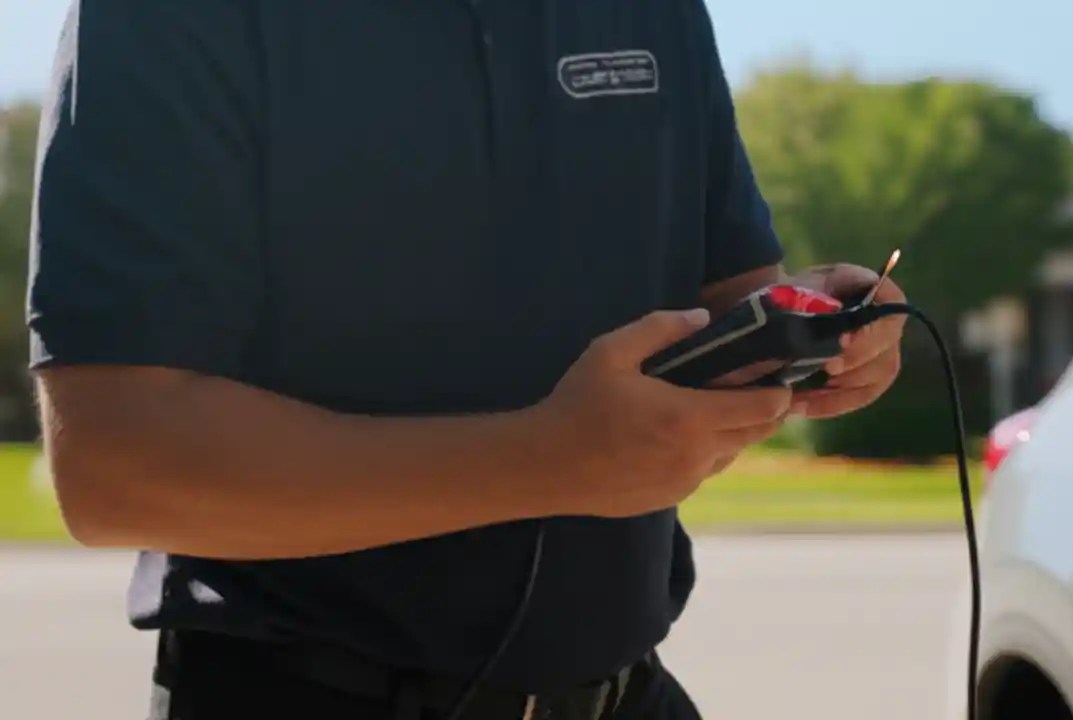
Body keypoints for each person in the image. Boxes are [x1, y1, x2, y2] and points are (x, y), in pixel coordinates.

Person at [26, 1, 906, 719]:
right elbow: (117, 469)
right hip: (299, 694)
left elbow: (726, 298)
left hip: (628, 693)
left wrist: (809, 326)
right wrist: (549, 459)